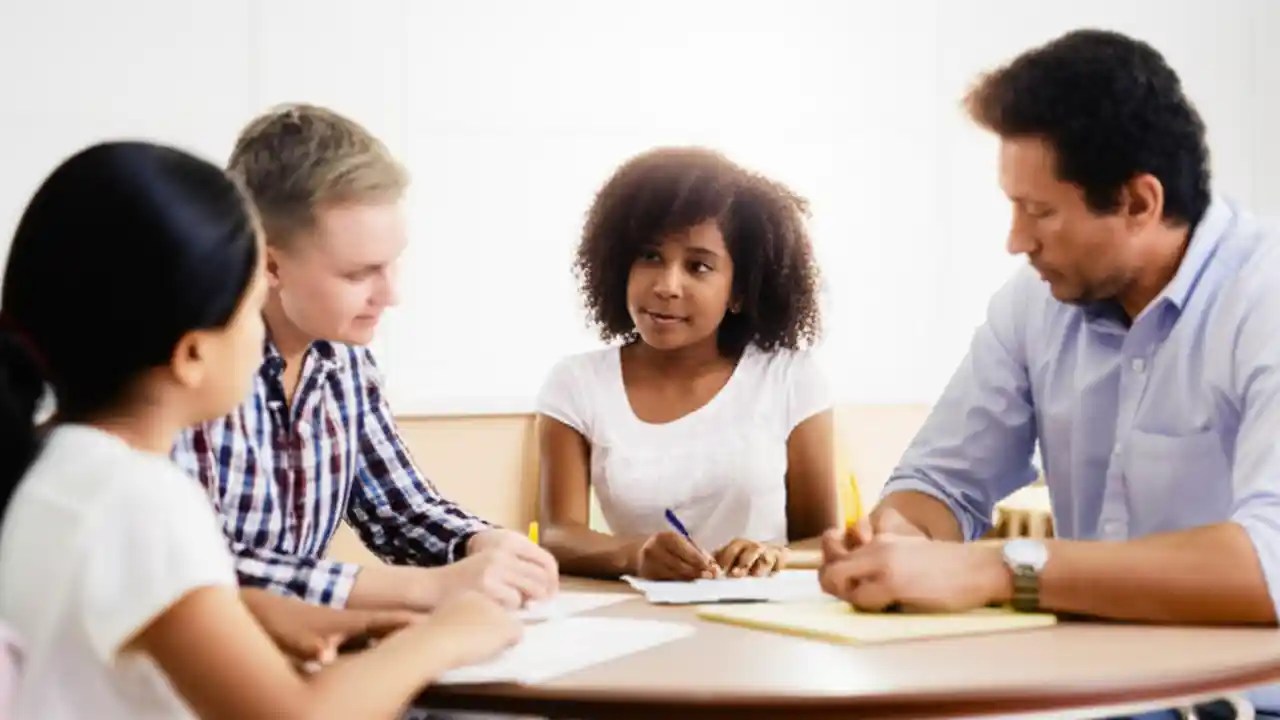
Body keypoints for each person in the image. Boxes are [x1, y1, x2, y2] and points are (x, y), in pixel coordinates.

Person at [818, 29, 1280, 714]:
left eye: (1039, 212)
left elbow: (1271, 567)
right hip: (1087, 697)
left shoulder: (1262, 297)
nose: (1016, 240)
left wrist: (998, 569)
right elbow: (941, 479)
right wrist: (898, 541)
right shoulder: (1037, 304)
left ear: (1138, 203)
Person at [0, 141, 520, 719]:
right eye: (250, 309)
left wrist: (247, 609)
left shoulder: (51, 465)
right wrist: (446, 635)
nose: (261, 333)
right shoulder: (140, 497)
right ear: (192, 354)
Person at [171, 104, 558, 610]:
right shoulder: (190, 368)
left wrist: (479, 545)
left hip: (303, 651)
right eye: (359, 274)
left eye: (395, 262)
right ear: (268, 263)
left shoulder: (344, 361)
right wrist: (422, 589)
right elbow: (199, 568)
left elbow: (398, 509)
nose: (391, 294)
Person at [538, 147, 839, 580]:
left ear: (739, 290)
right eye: (650, 256)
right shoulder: (576, 383)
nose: (666, 285)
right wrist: (635, 553)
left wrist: (775, 554)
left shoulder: (790, 379)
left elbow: (822, 540)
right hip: (640, 618)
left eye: (698, 266)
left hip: (765, 624)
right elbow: (557, 534)